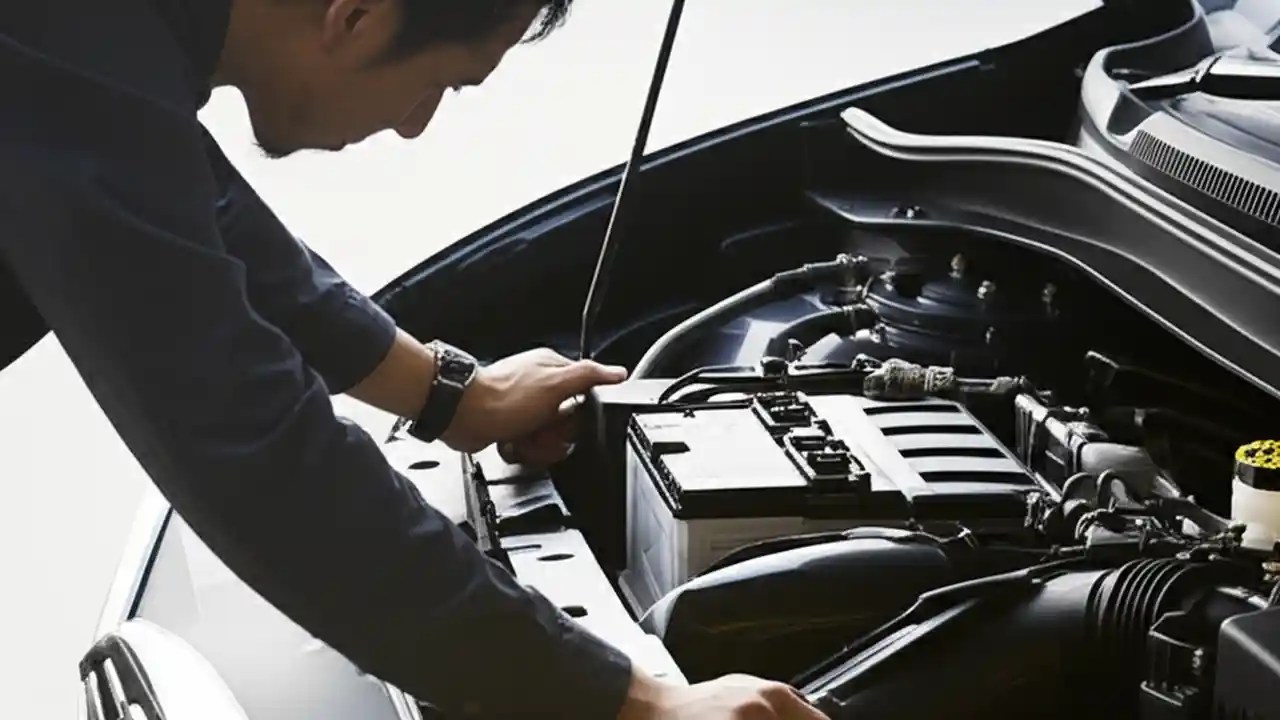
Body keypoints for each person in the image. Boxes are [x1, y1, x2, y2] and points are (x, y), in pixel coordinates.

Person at [0, 1, 831, 718]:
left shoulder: (96, 43)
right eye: (444, 84)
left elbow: (182, 199)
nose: (415, 122)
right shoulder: (59, 37)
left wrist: (445, 393)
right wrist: (637, 700)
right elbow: (258, 458)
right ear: (356, 13)